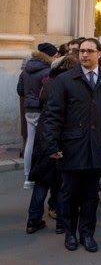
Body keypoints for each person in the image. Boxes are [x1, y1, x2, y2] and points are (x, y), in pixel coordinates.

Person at [40, 38, 101, 252]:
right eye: (81, 51)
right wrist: (52, 145)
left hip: (97, 147)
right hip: (71, 147)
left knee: (90, 195)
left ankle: (87, 234)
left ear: (99, 54)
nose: (84, 55)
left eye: (89, 51)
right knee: (69, 194)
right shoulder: (66, 80)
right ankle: (70, 233)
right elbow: (52, 115)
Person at [25, 55, 79, 235]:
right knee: (61, 182)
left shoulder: (49, 82)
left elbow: (42, 105)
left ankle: (33, 219)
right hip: (61, 135)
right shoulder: (71, 84)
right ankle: (61, 222)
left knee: (43, 179)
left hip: (45, 134)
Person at [17, 42, 59, 188]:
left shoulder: (26, 69)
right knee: (43, 142)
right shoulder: (47, 71)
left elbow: (20, 90)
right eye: (54, 55)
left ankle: (28, 176)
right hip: (41, 108)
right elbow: (49, 92)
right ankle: (41, 174)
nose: (56, 58)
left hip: (29, 108)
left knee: (30, 141)